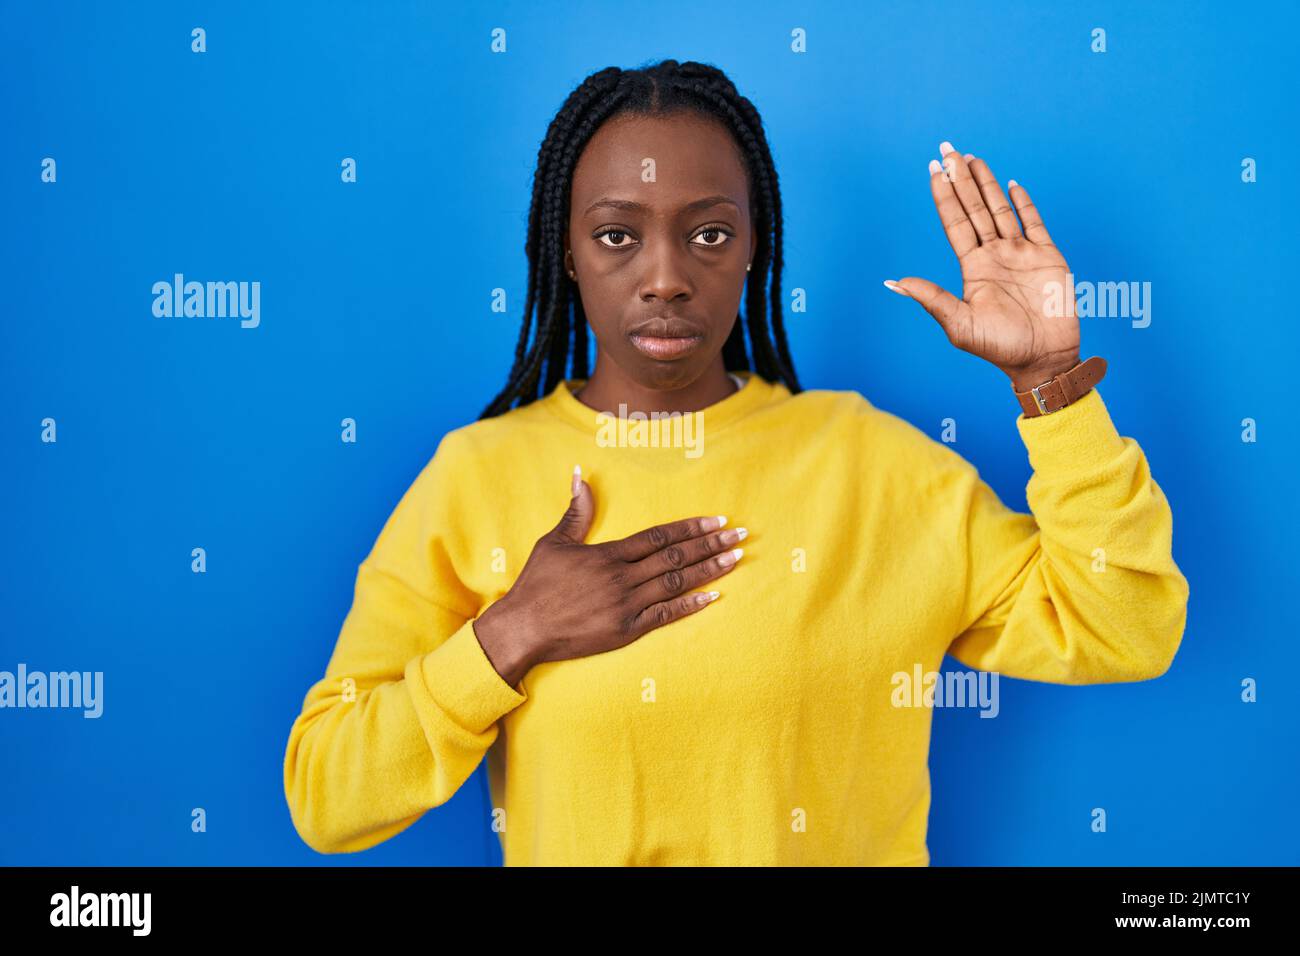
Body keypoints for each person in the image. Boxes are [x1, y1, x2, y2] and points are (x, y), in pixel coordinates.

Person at [283, 59, 1189, 866]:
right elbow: (328, 797)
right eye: (616, 235)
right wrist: (510, 636)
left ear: (754, 246)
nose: (666, 275)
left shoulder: (871, 463)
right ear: (564, 250)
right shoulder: (475, 479)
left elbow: (1127, 627)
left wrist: (1049, 380)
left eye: (709, 233)